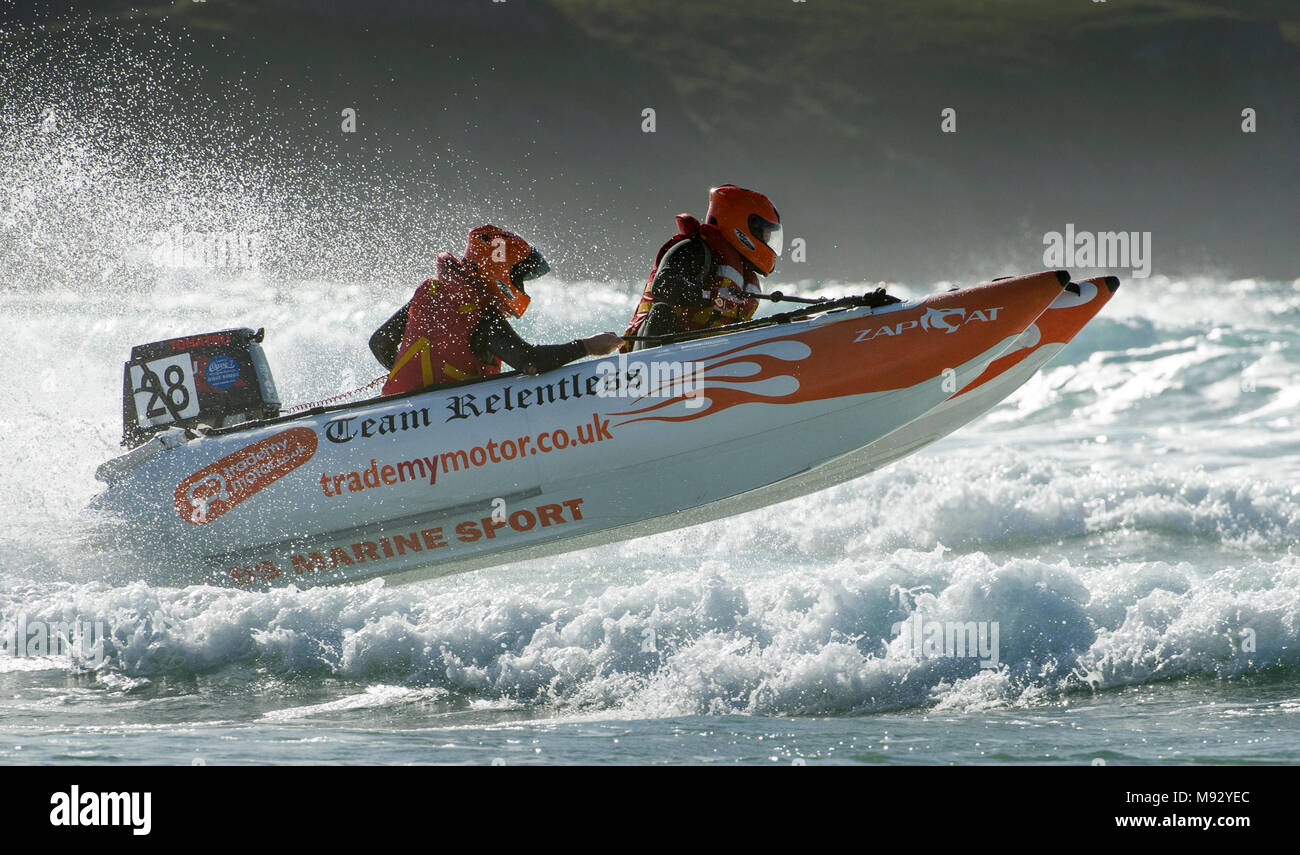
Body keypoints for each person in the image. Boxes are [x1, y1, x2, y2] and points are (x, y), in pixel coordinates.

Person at [371, 225, 623, 396]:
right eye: (518, 275)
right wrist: (588, 346)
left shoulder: (431, 292)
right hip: (435, 427)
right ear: (498, 270)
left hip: (394, 413)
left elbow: (379, 343)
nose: (521, 284)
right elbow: (529, 361)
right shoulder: (483, 316)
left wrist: (418, 386)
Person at [622, 184, 782, 351]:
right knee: (661, 313)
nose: (768, 238)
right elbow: (663, 286)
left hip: (701, 359)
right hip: (645, 359)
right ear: (743, 226)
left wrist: (785, 325)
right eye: (765, 231)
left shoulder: (744, 275)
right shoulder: (692, 249)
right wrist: (711, 296)